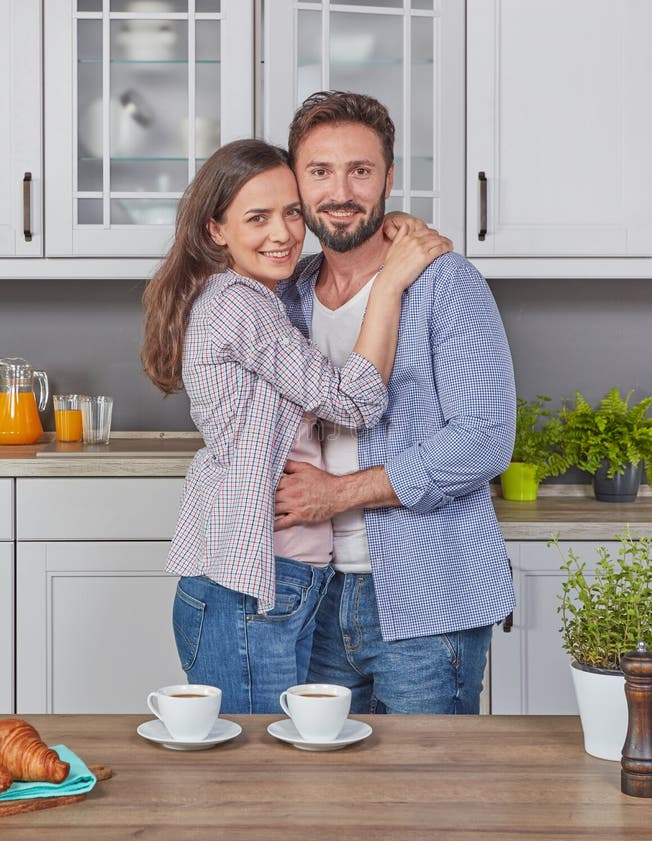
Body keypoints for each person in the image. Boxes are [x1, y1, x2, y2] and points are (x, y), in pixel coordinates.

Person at [141, 138, 448, 713]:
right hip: (255, 584)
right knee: (256, 772)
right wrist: (389, 283)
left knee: (275, 766)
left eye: (292, 213)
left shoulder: (263, 293)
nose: (283, 233)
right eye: (257, 217)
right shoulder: (241, 304)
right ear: (216, 230)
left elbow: (340, 245)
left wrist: (392, 225)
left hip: (279, 578)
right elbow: (353, 402)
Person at [274, 91, 517, 715]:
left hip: (428, 595)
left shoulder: (445, 283)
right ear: (295, 183)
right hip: (313, 594)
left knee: (426, 797)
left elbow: (484, 439)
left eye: (361, 170)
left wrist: (337, 493)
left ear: (388, 178)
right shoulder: (287, 294)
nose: (341, 191)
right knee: (324, 802)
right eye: (320, 171)